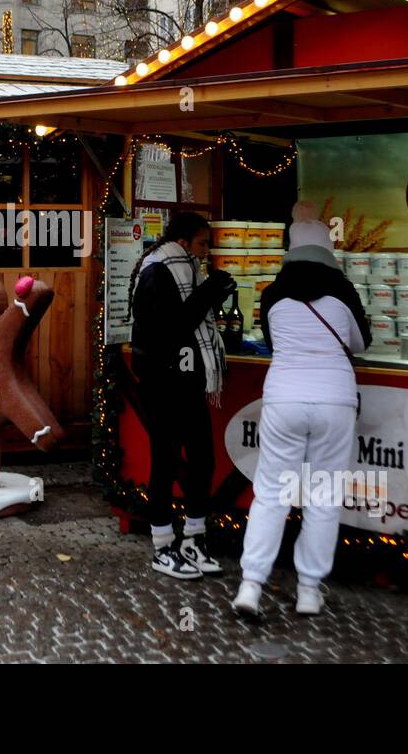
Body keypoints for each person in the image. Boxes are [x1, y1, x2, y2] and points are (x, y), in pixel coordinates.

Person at [232, 204, 371, 619]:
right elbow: (360, 344)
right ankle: (309, 590)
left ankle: (251, 586)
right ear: (328, 250)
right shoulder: (344, 290)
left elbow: (273, 341)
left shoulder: (273, 292)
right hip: (334, 400)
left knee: (271, 495)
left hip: (284, 399)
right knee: (323, 499)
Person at [128, 212, 236, 580]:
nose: (206, 252)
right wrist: (208, 294)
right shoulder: (158, 272)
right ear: (185, 242)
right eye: (203, 243)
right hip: (163, 382)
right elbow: (171, 327)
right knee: (166, 461)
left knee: (202, 459)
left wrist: (211, 293)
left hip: (188, 380)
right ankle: (162, 544)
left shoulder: (189, 272)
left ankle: (193, 537)